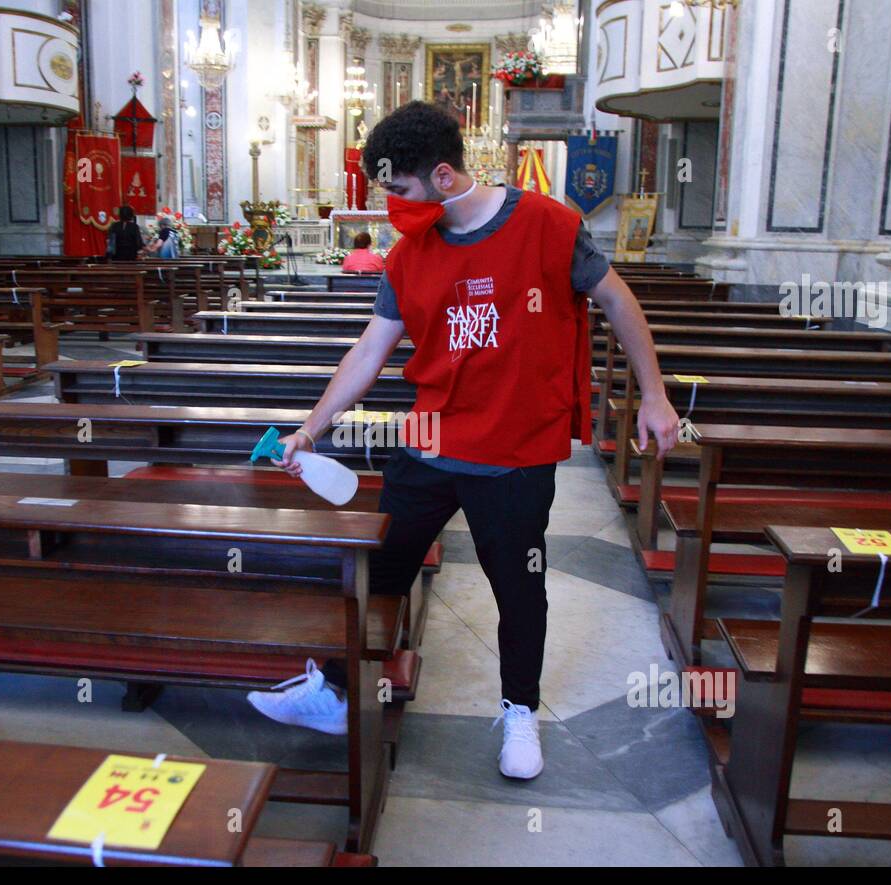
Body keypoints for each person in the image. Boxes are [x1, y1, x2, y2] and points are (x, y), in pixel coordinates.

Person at [245, 101, 679, 781]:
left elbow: (619, 302)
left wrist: (654, 394)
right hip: (428, 440)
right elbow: (370, 349)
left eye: (400, 190)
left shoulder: (548, 226)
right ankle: (330, 693)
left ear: (444, 176)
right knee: (379, 566)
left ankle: (520, 713)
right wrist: (310, 427)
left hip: (516, 449)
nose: (392, 206)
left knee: (519, 588)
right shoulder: (410, 254)